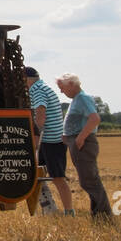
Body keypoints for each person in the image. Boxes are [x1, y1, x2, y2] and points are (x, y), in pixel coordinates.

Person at [56, 74, 113, 219]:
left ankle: (103, 215)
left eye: (62, 88)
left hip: (84, 144)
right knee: (87, 180)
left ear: (71, 84)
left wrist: (80, 138)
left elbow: (95, 119)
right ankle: (98, 214)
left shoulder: (82, 98)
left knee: (90, 181)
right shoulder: (77, 99)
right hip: (78, 143)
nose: (61, 92)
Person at [25, 68, 73, 216]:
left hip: (51, 141)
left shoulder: (36, 90)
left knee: (58, 178)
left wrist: (35, 136)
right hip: (54, 139)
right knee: (38, 175)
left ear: (27, 79)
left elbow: (40, 112)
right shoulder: (44, 87)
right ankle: (49, 209)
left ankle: (69, 211)